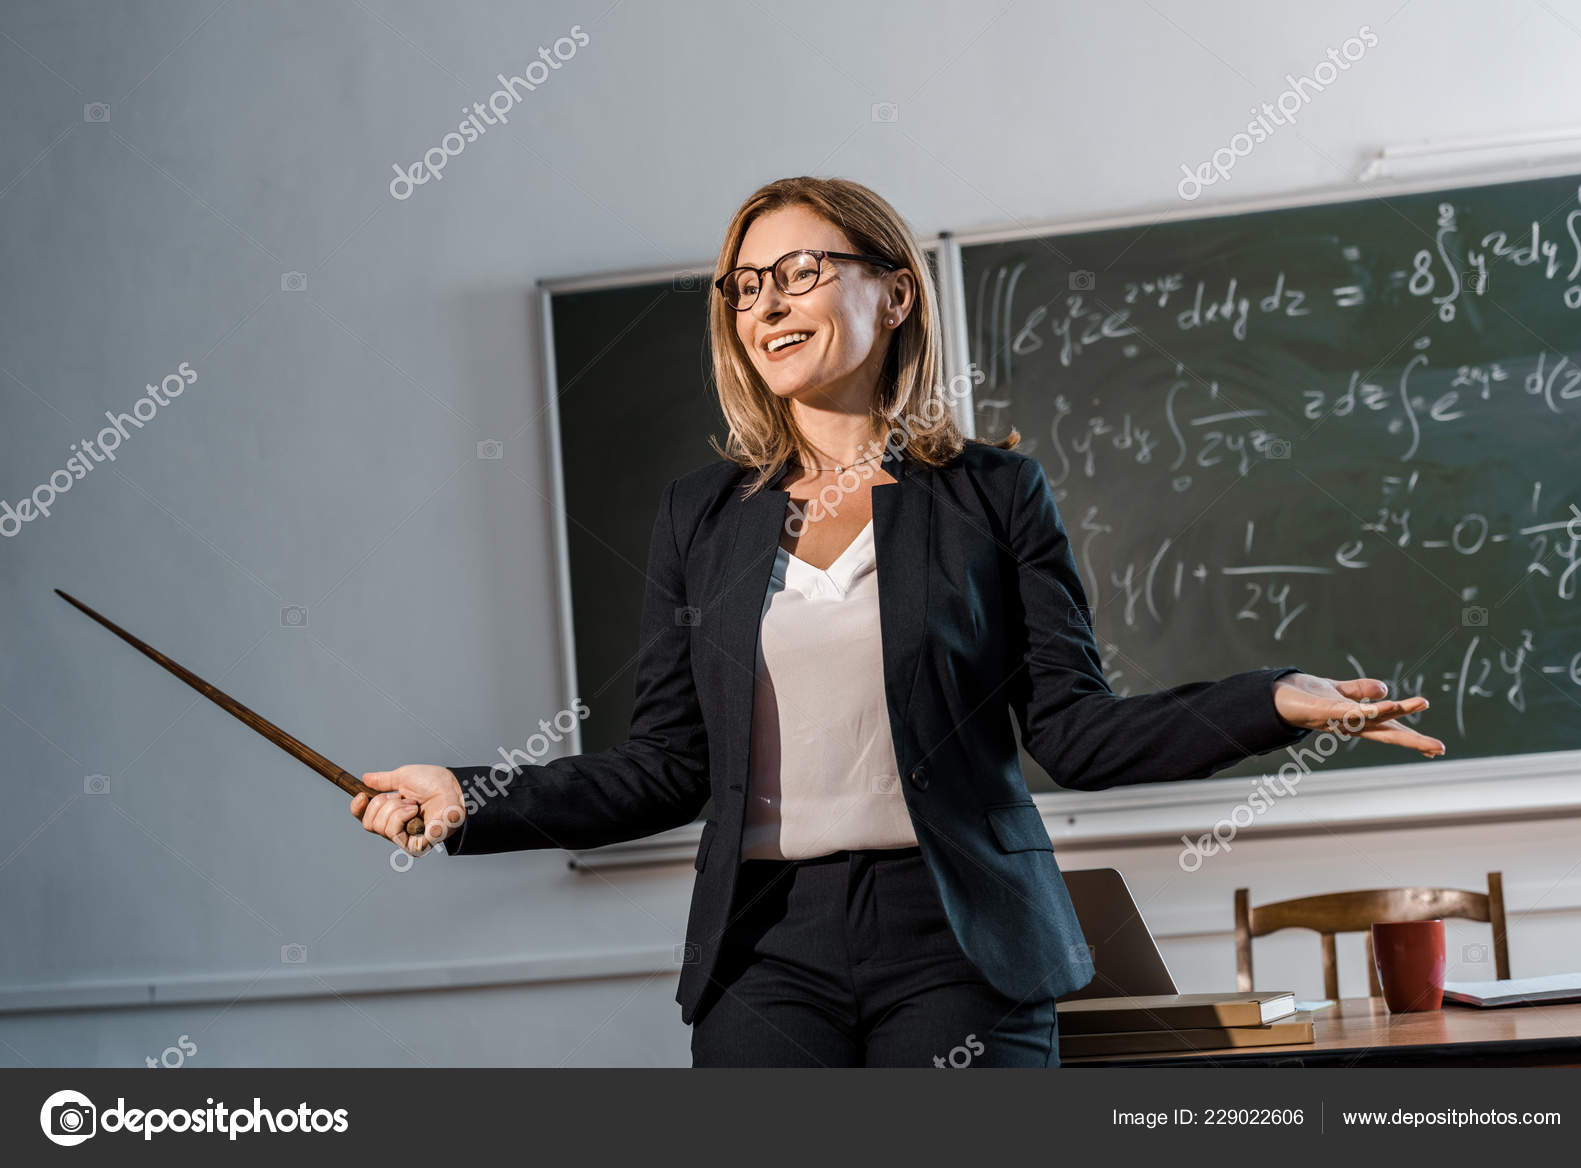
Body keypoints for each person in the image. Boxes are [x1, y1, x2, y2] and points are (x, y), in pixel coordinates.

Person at [350, 176, 1446, 1067]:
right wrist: (471, 797)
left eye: (800, 273)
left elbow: (1075, 734)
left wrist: (1272, 702)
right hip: (765, 947)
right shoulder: (702, 517)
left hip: (959, 939)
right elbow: (666, 767)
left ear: (895, 293)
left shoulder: (992, 495)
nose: (766, 305)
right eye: (744, 287)